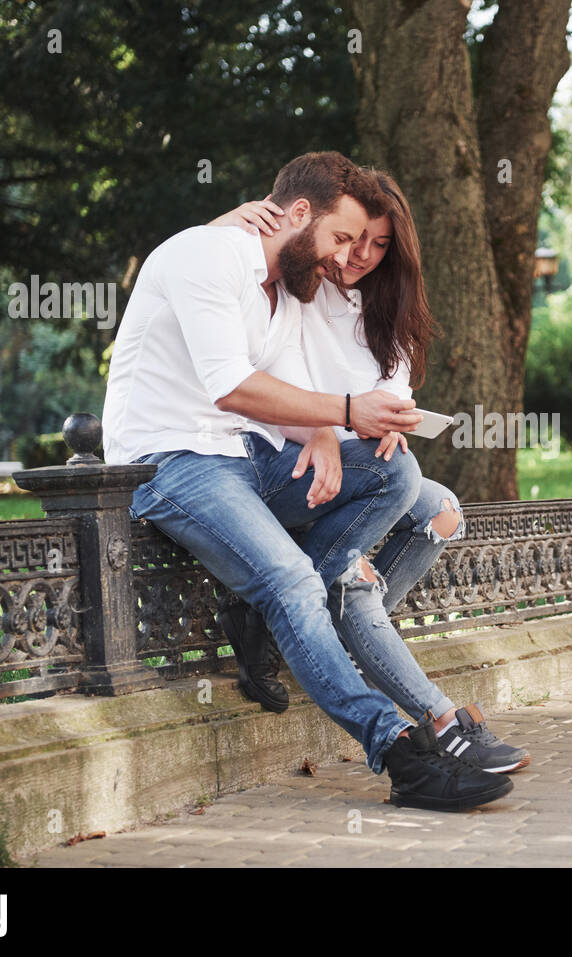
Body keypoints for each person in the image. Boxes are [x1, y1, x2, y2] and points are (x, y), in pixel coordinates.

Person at [102, 151, 513, 811]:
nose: (346, 257)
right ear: (298, 214)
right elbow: (231, 386)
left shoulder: (285, 290)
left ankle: (276, 614)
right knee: (292, 578)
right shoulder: (206, 255)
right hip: (171, 463)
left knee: (393, 471)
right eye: (340, 237)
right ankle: (405, 757)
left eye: (359, 243)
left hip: (246, 455)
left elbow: (284, 392)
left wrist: (321, 432)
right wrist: (344, 413)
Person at [208, 172, 530, 773]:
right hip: (297, 454)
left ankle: (329, 622)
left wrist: (391, 428)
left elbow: (393, 395)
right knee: (354, 573)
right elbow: (236, 274)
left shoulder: (388, 310)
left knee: (440, 509)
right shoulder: (306, 279)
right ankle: (438, 719)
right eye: (354, 239)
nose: (358, 255)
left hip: (360, 459)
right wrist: (234, 216)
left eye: (378, 245)